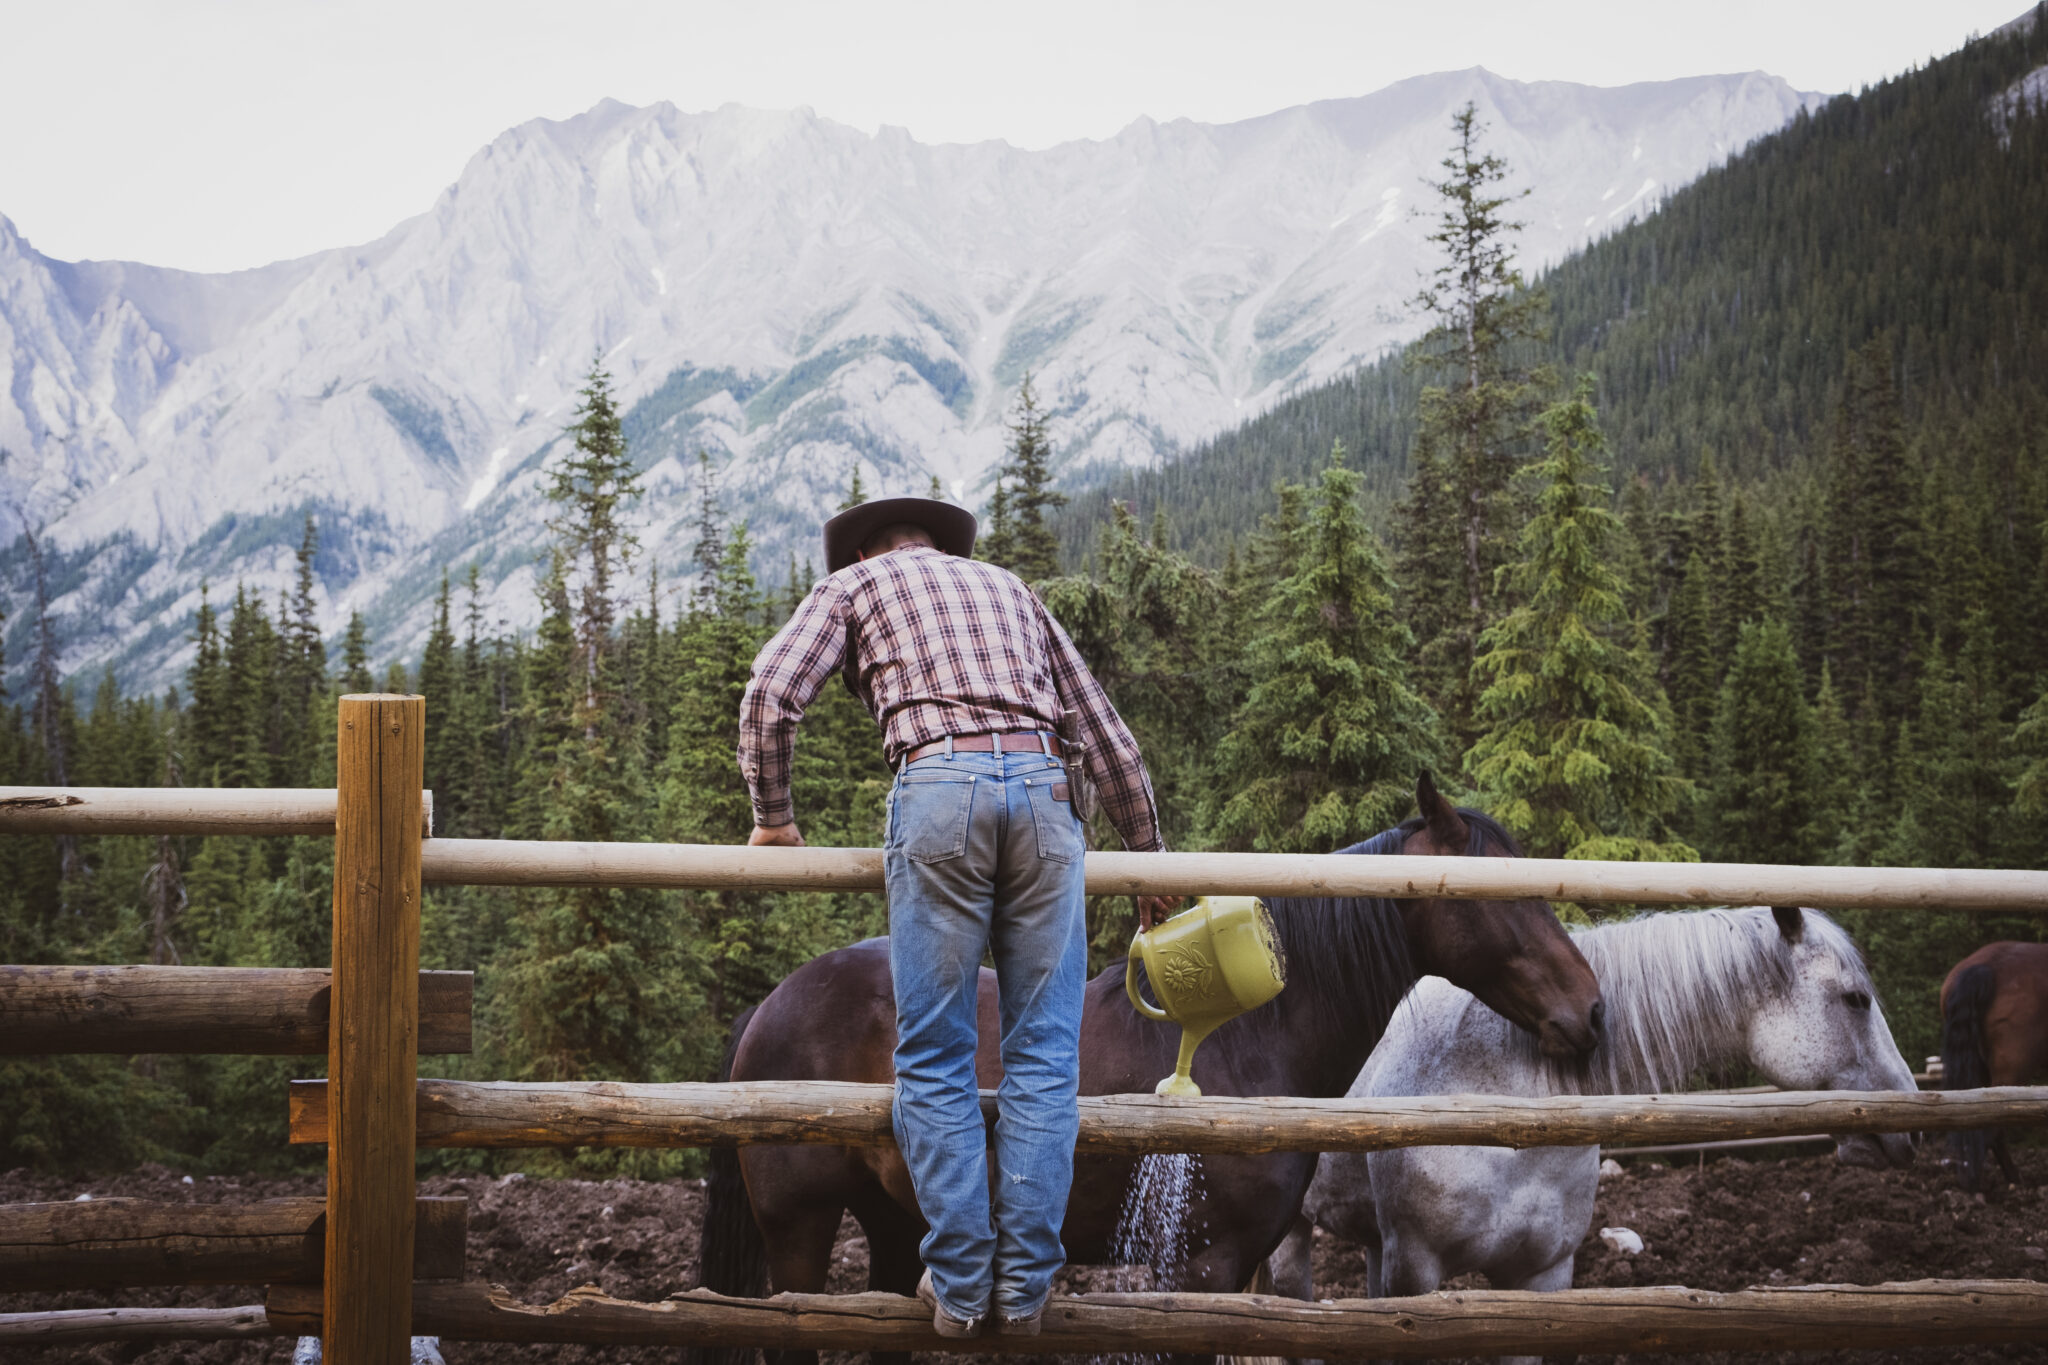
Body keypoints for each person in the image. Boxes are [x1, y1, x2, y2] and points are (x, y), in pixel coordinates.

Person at [738, 495, 1173, 1338]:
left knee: (935, 1053)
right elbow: (1106, 732)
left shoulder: (855, 586)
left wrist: (775, 817)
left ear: (863, 552)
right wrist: (1148, 855)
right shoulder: (1011, 589)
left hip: (940, 787)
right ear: (941, 545)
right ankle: (1026, 1290)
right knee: (1044, 1057)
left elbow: (772, 691)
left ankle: (965, 1288)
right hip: (1047, 798)